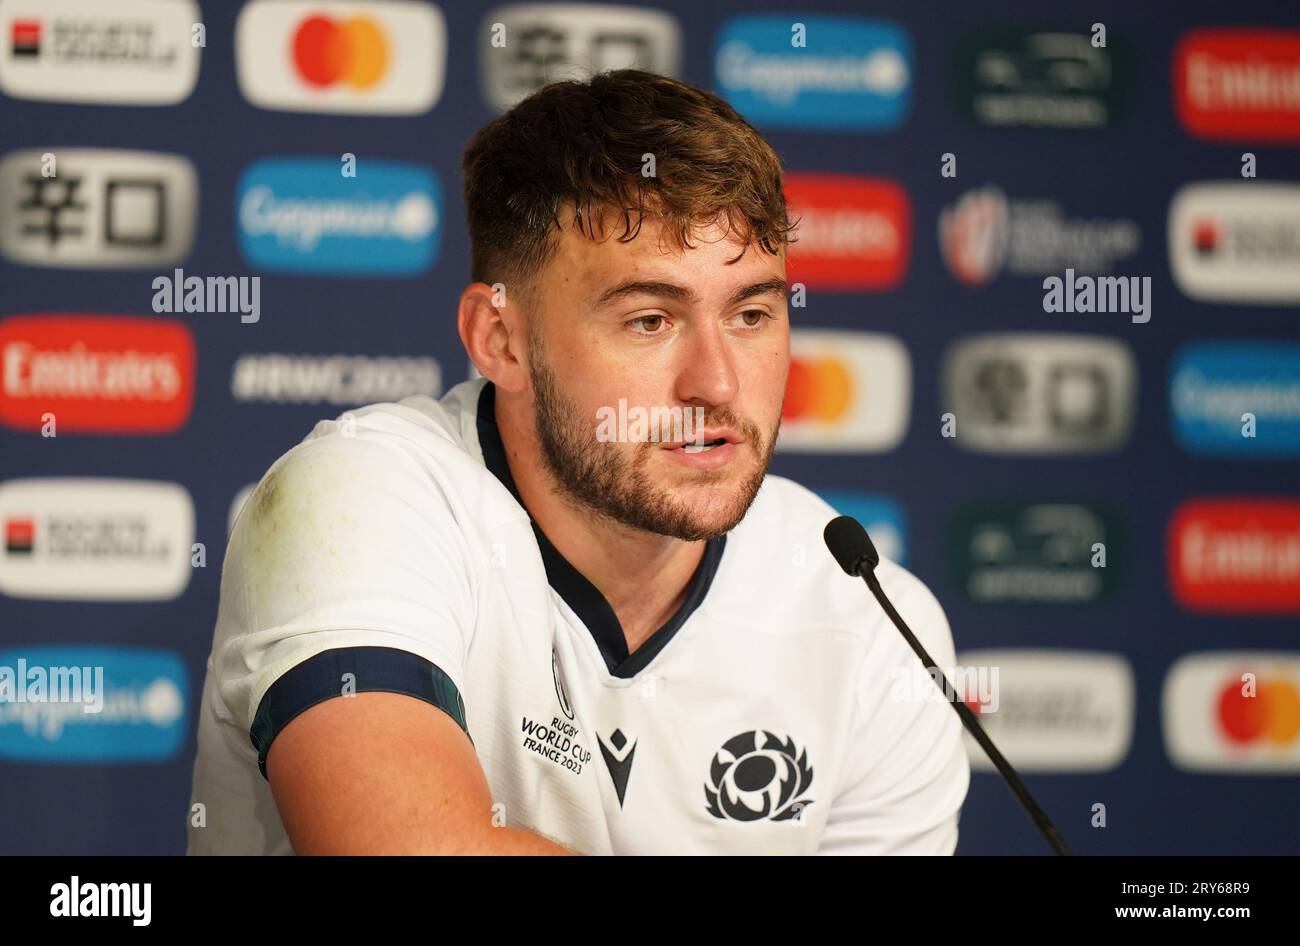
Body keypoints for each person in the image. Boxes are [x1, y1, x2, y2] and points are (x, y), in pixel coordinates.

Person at [186, 69, 969, 855]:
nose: (718, 382)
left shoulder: (868, 621)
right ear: (501, 340)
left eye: (753, 313)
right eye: (651, 320)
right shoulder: (362, 496)